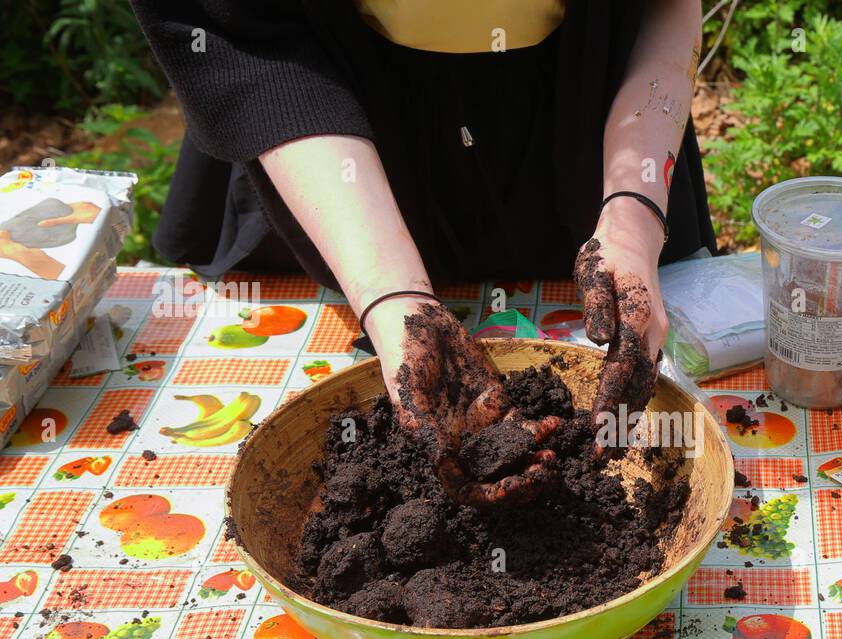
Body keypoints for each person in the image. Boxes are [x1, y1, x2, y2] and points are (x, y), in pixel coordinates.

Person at [130, 0, 714, 504]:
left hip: (598, 115)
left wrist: (633, 223)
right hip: (324, 130)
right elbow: (232, 27)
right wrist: (392, 295)